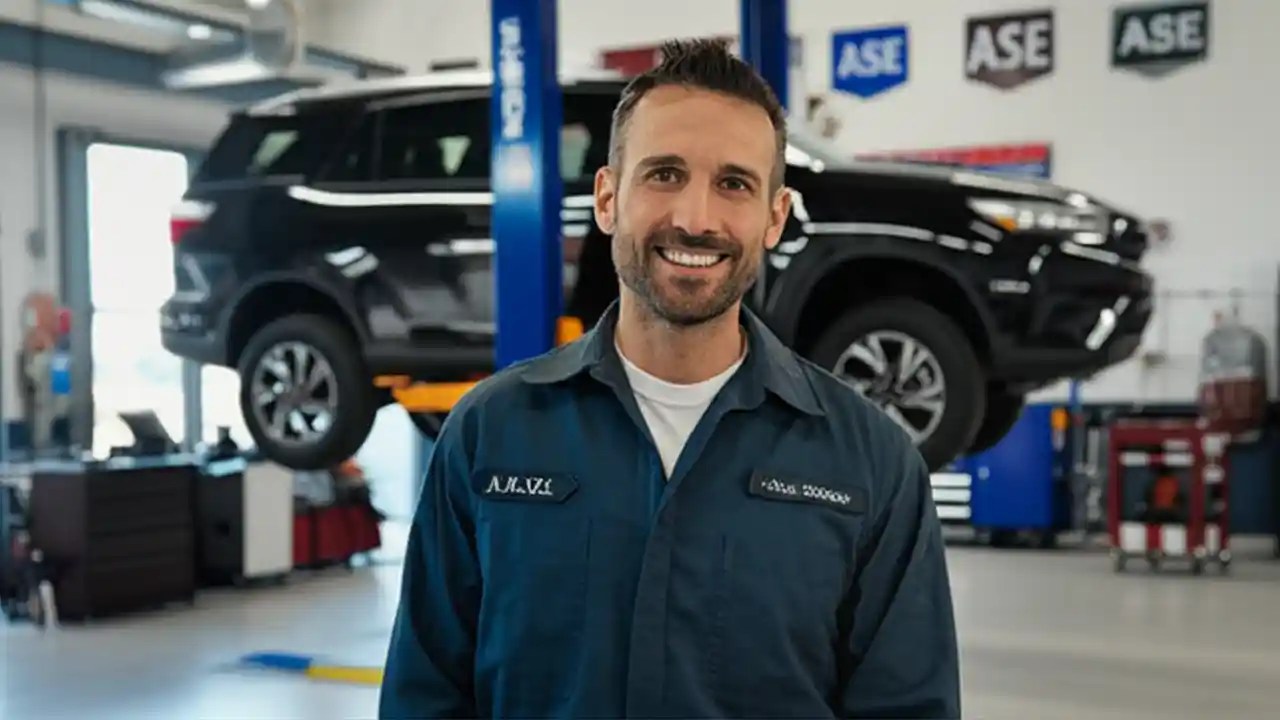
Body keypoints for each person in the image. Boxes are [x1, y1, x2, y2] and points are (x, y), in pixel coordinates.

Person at [379, 38, 961, 719]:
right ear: (607, 198)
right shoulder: (489, 435)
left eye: (734, 184)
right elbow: (424, 697)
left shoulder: (871, 465)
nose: (694, 219)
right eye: (664, 174)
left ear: (774, 217)